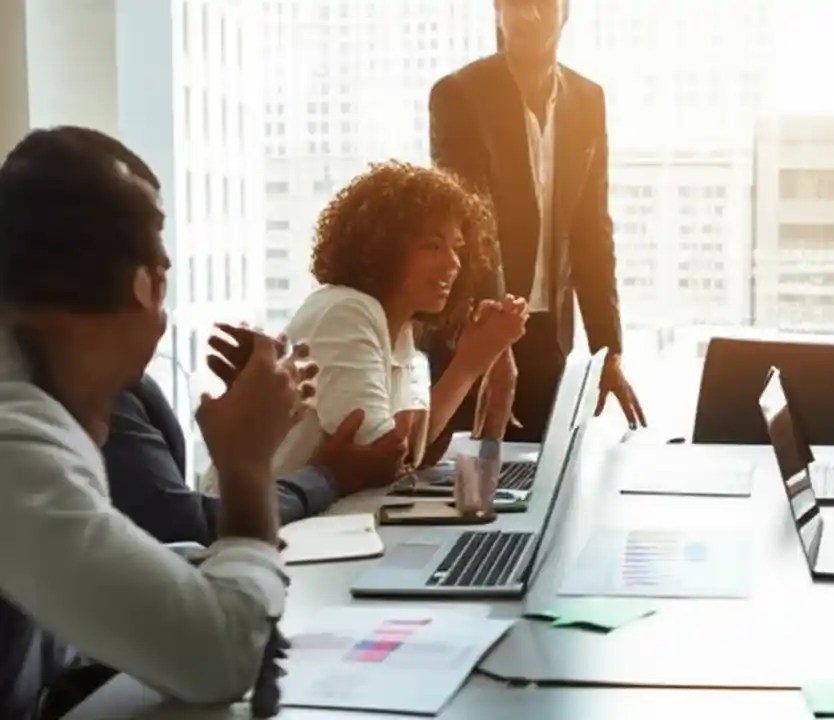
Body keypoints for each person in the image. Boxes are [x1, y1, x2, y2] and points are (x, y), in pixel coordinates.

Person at [0, 127, 306, 716]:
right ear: (153, 283)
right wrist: (247, 467)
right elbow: (216, 657)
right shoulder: (16, 445)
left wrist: (186, 570)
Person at [423, 0, 646, 444]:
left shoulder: (588, 99)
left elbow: (592, 230)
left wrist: (608, 350)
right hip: (476, 329)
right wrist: (496, 339)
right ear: (497, 11)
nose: (527, 15)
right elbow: (473, 215)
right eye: (514, 4)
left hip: (549, 334)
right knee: (465, 487)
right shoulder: (459, 94)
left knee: (541, 481)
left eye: (541, 4)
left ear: (565, 12)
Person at [261, 161, 527, 484]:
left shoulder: (401, 334)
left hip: (319, 522)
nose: (454, 263)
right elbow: (383, 457)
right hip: (267, 523)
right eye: (433, 246)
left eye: (456, 248)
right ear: (383, 248)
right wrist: (471, 364)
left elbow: (411, 450)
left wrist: (474, 361)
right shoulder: (345, 311)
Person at [106, 324, 409, 546]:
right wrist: (327, 476)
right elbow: (188, 527)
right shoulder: (105, 400)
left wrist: (253, 423)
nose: (164, 264)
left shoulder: (122, 387)